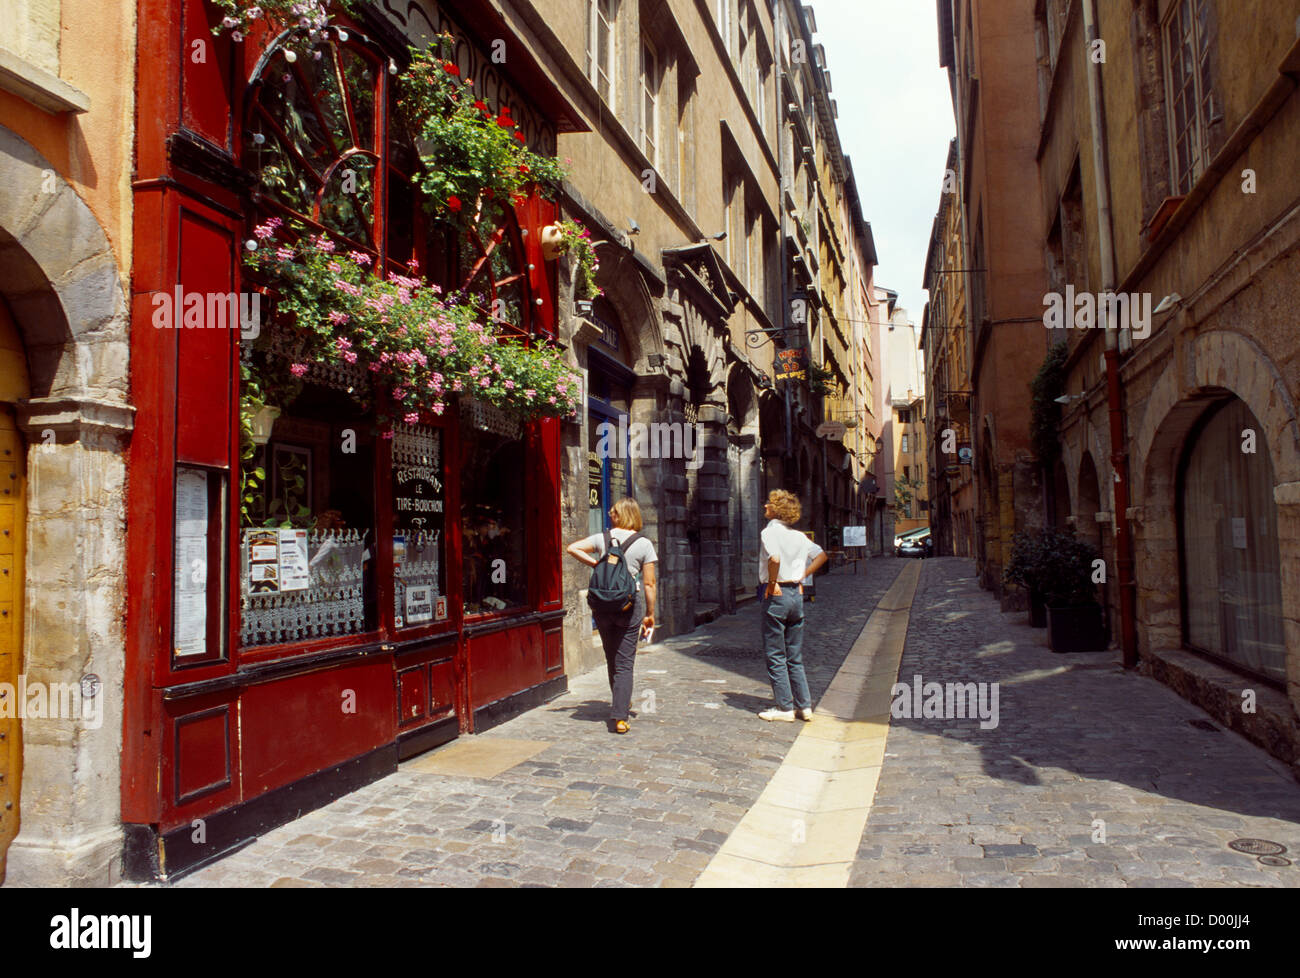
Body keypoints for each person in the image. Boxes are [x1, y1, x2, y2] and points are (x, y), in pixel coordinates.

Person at [565, 497, 658, 734]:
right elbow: (649, 583)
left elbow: (572, 548)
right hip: (628, 604)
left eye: (613, 511)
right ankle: (620, 716)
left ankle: (619, 701)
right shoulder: (644, 543)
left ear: (621, 514)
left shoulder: (602, 538)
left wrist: (597, 563)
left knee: (611, 656)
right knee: (625, 661)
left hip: (603, 605)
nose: (609, 514)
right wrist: (650, 613)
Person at [757, 490, 820, 722]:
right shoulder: (799, 536)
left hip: (777, 593)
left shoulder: (769, 532)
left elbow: (774, 558)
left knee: (775, 652)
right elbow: (821, 555)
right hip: (796, 594)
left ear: (776, 510)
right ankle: (804, 706)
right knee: (794, 654)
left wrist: (772, 584)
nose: (765, 505)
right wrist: (802, 576)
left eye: (769, 503)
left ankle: (784, 707)